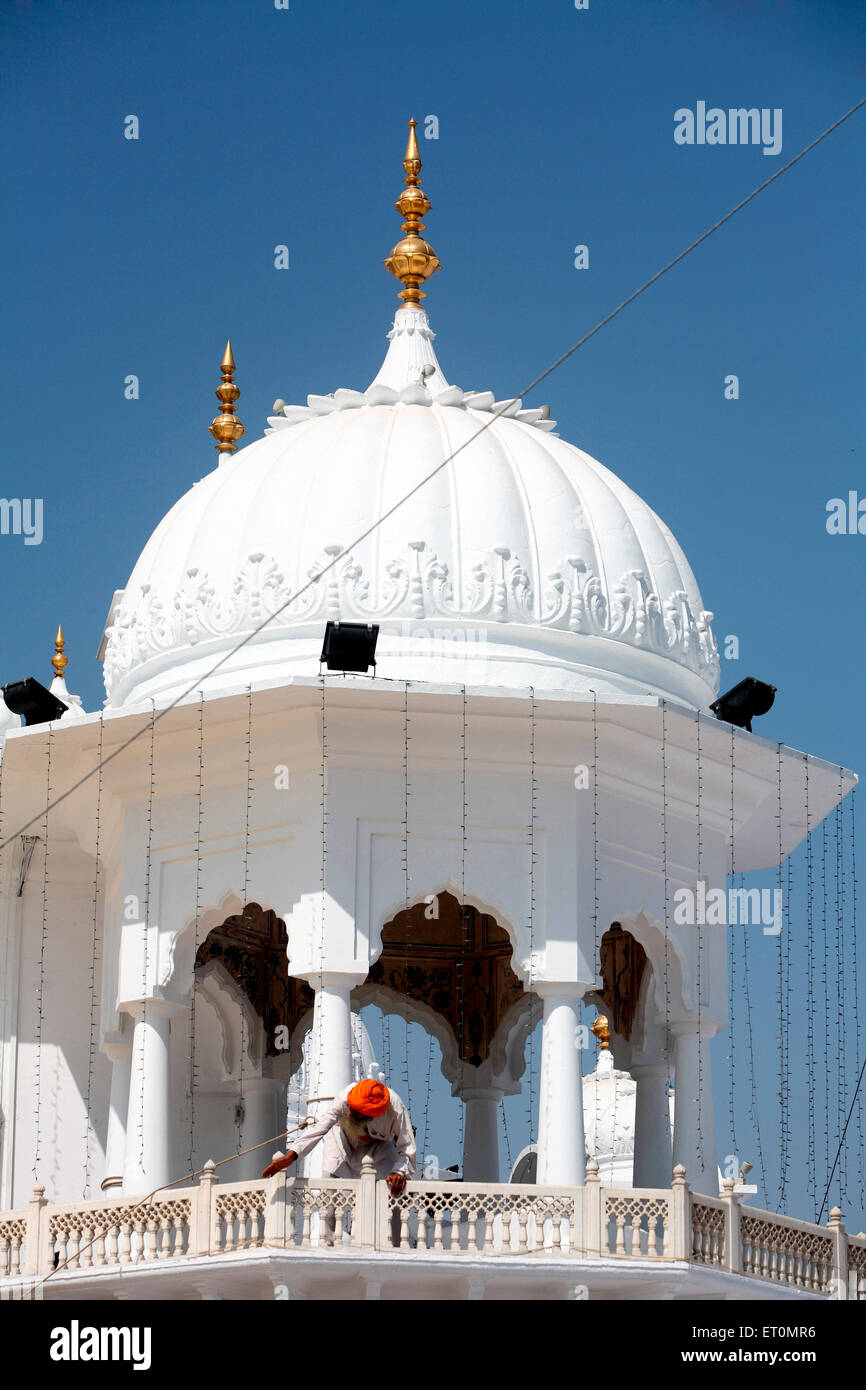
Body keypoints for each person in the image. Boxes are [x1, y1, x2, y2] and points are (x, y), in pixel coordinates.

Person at [262, 1078, 415, 1198]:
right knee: (329, 1192)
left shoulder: (395, 1107)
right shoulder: (345, 1097)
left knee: (387, 1193)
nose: (350, 1113)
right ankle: (327, 1237)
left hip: (378, 1147)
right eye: (351, 1108)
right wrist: (292, 1155)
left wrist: (400, 1172)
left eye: (356, 1112)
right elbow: (320, 1127)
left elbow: (407, 1145)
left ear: (371, 1114)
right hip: (343, 1140)